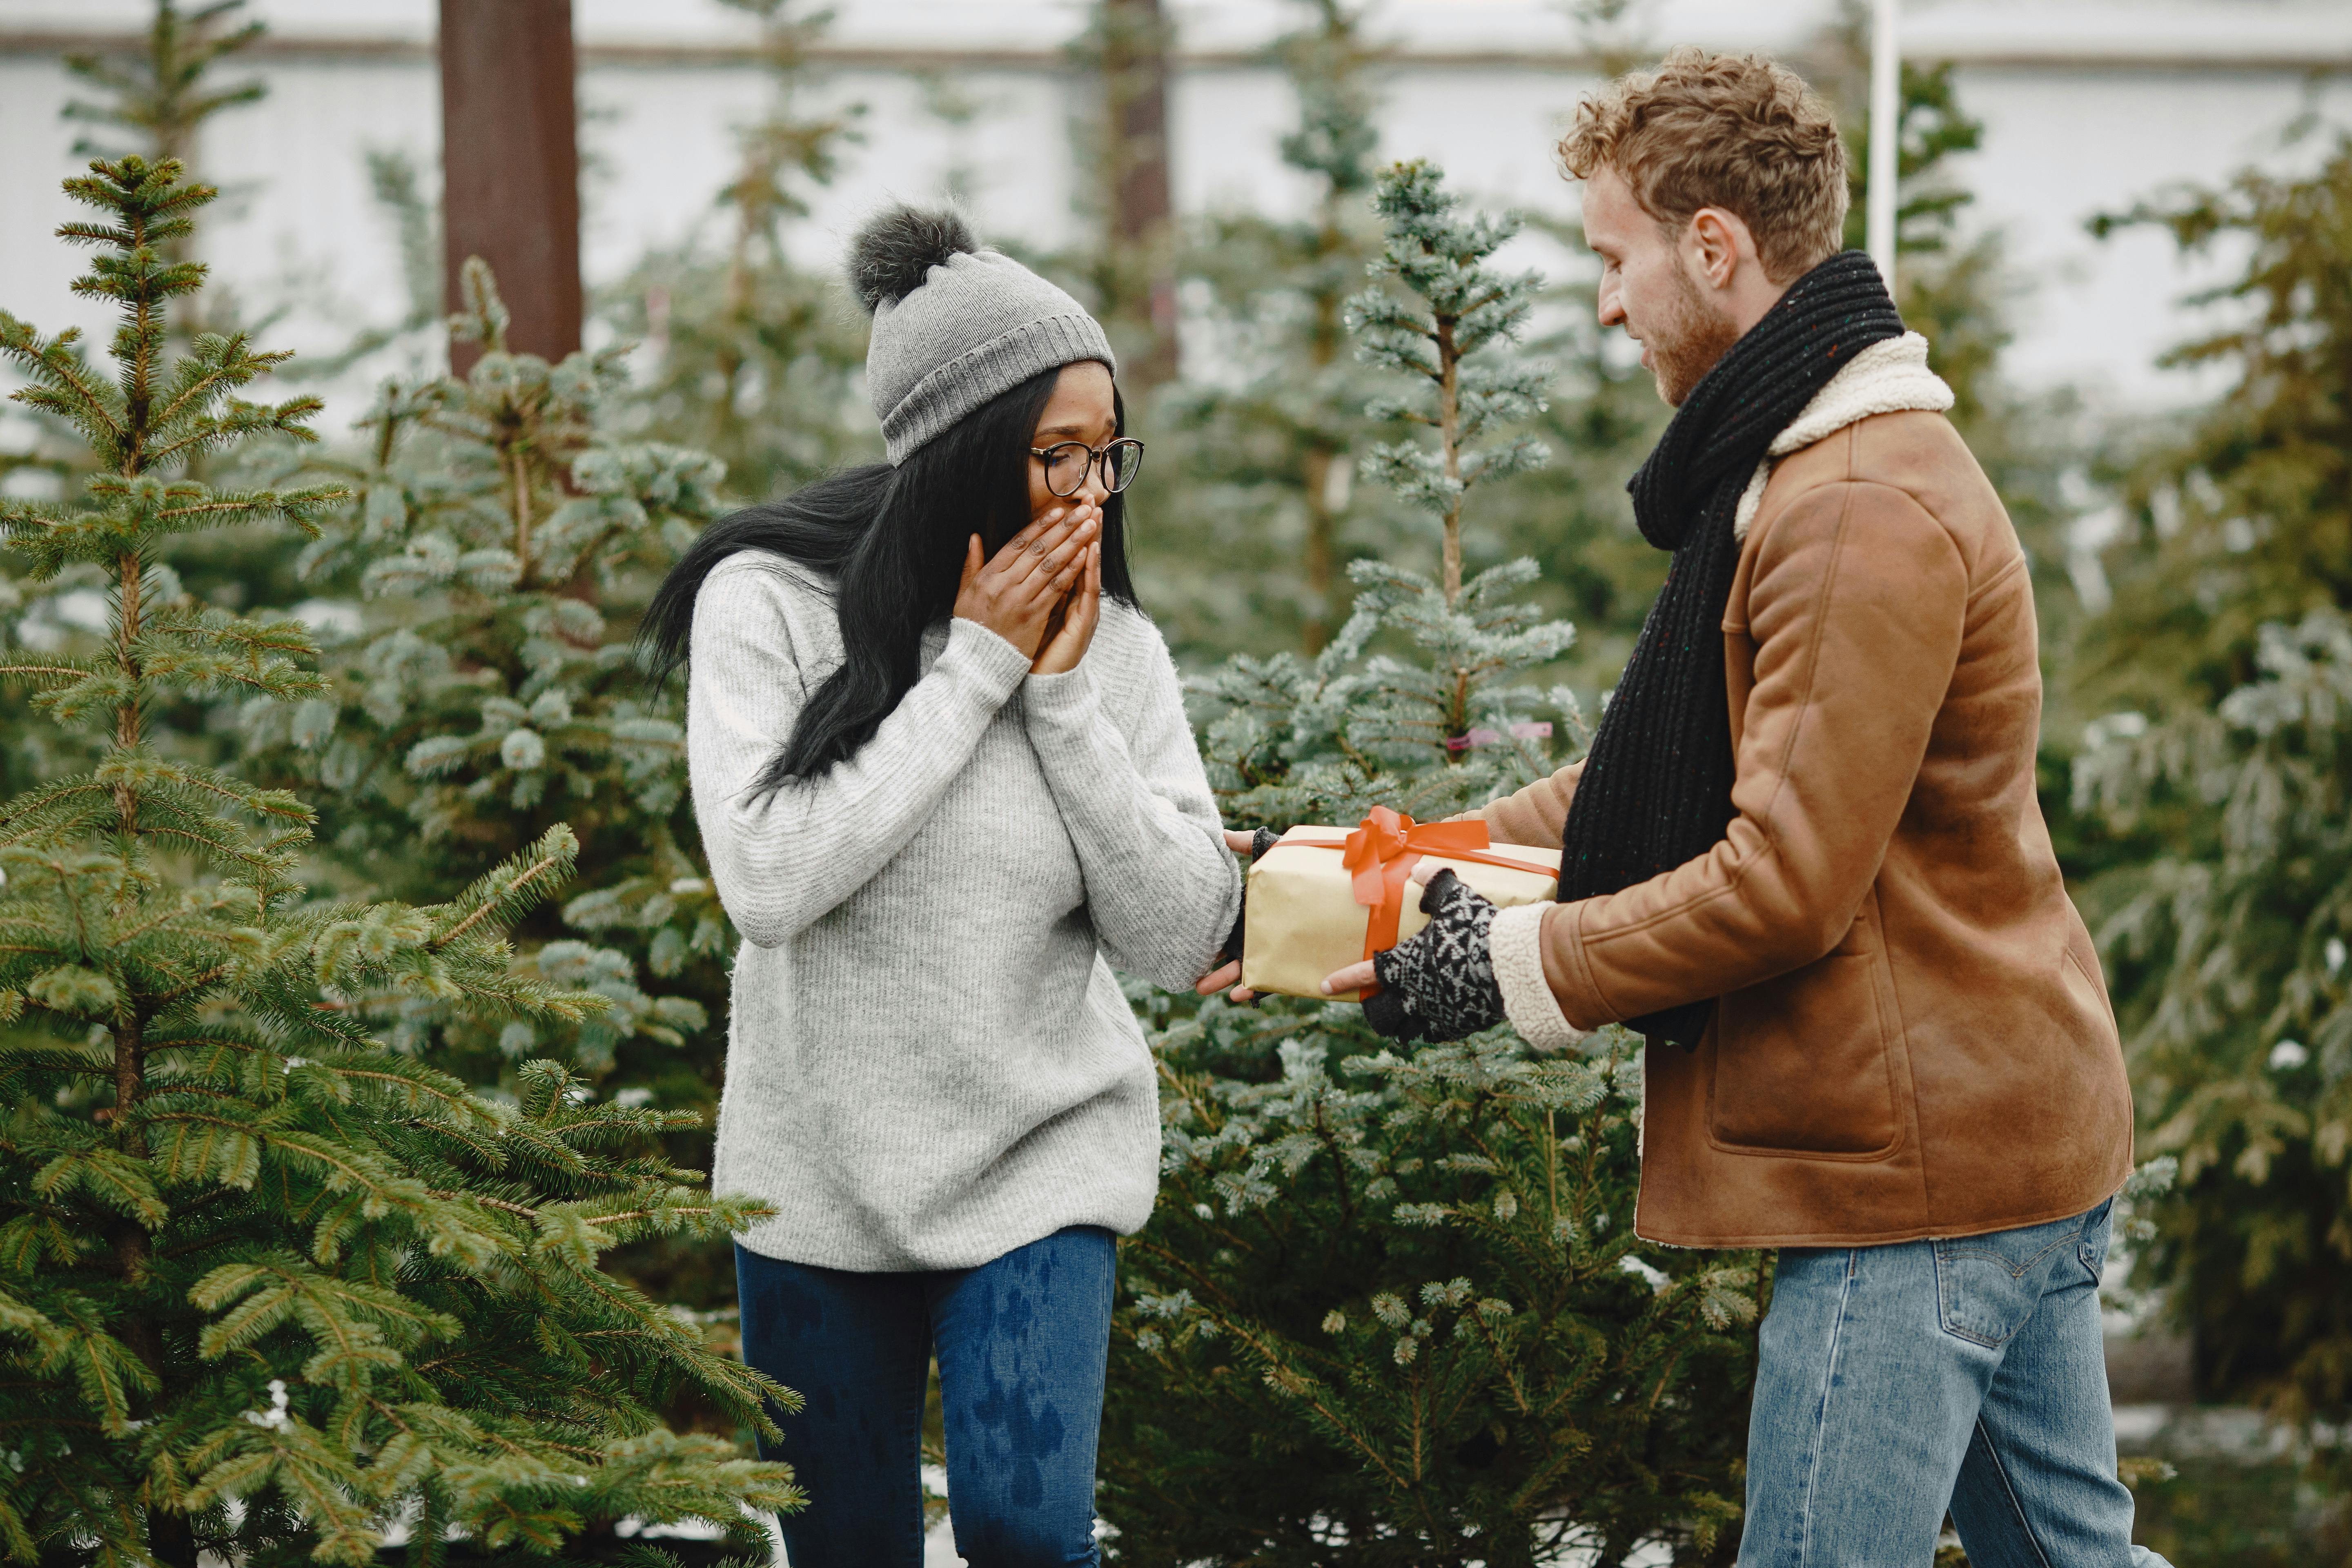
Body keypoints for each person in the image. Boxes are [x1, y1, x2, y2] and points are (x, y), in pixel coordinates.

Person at [1214, 47, 2166, 1567]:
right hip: (1982, 1143)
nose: (1606, 304)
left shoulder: (1852, 507)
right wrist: (1348, 872)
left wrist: (1509, 966)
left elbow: (1781, 882)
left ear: (1713, 247)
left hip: (1915, 1190)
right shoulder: (1798, 470)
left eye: (1616, 260)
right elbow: (1651, 791)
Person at [643, 205, 1240, 1566]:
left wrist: (1063, 701)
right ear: (963, 449)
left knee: (1025, 1531)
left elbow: (1184, 933)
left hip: (1041, 1156)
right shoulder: (768, 604)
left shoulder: (1116, 649)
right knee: (848, 1548)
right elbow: (769, 881)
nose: (1093, 493)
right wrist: (974, 671)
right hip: (816, 1172)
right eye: (1058, 454)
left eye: (1110, 451)